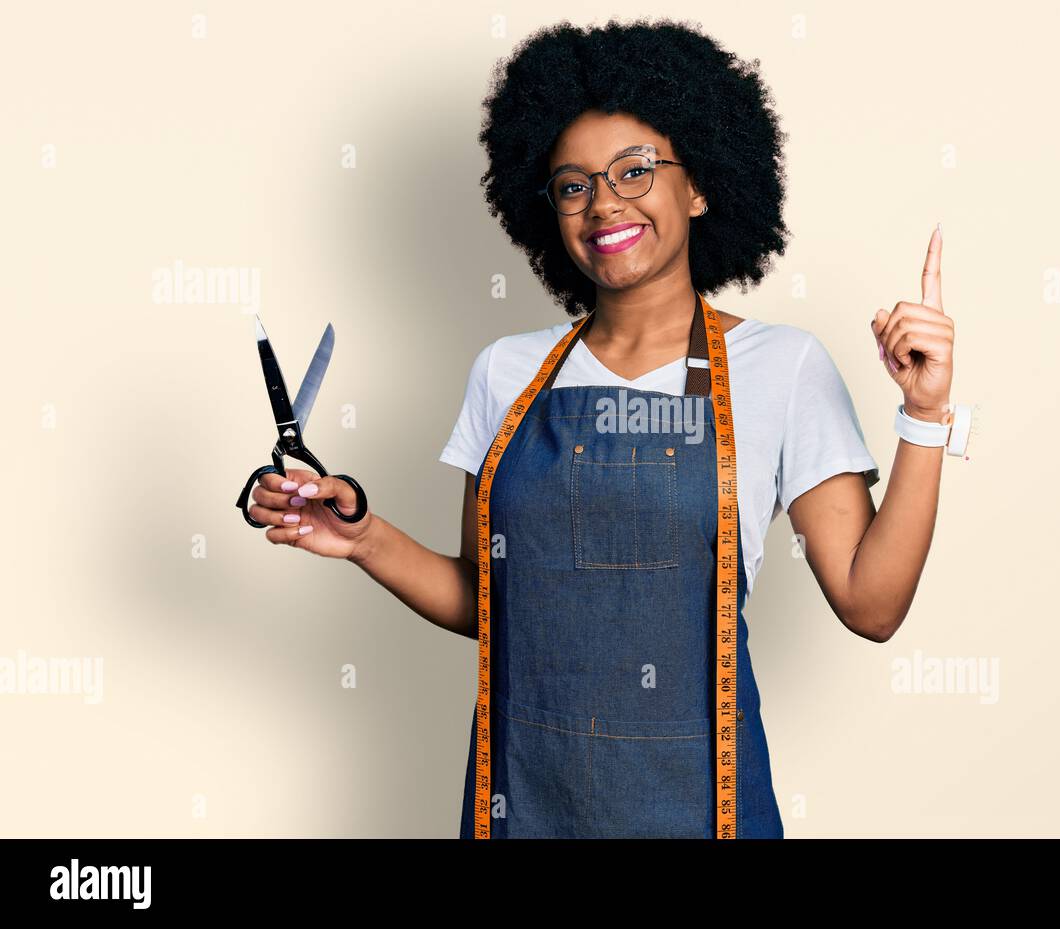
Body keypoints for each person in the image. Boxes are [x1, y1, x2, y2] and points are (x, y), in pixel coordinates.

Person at [245, 18, 957, 839]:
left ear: (697, 186)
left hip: (704, 814)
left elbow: (873, 605)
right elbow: (491, 599)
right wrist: (362, 538)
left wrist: (926, 417)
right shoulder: (505, 373)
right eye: (574, 184)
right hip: (524, 807)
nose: (604, 202)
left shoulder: (782, 368)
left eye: (635, 170)